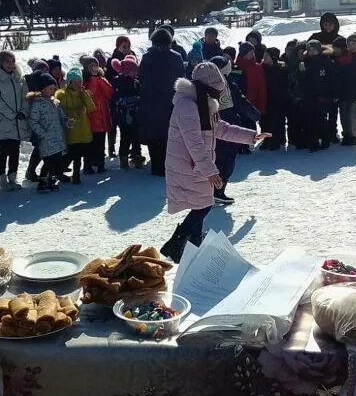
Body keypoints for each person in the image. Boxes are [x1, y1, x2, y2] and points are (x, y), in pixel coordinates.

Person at [160, 62, 264, 262]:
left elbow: (221, 129)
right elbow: (194, 143)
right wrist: (210, 171)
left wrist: (251, 136)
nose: (218, 94)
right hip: (188, 165)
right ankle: (177, 242)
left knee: (203, 202)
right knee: (203, 205)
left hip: (198, 165)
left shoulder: (203, 102)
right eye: (217, 89)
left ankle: (192, 243)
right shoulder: (187, 106)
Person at [210, 56, 260, 205]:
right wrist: (257, 115)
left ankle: (210, 190)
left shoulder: (205, 84)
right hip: (227, 125)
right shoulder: (227, 84)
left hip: (211, 126)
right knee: (227, 160)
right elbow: (241, 102)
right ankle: (218, 191)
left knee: (214, 159)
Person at [138, 28, 185, 176]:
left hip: (150, 100)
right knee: (168, 133)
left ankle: (156, 165)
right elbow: (181, 79)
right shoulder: (176, 58)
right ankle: (167, 165)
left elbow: (141, 77)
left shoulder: (147, 58)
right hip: (170, 100)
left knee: (153, 134)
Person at [0, 51, 29, 191]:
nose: (11, 64)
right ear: (1, 63)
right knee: (4, 150)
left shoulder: (19, 77)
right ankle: (1, 178)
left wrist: (23, 111)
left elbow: (25, 96)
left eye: (13, 61)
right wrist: (11, 114)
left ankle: (13, 176)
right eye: (7, 61)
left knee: (15, 150)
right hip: (3, 121)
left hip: (18, 121)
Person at [27, 73, 68, 193]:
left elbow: (62, 116)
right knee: (48, 162)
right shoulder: (38, 104)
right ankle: (43, 182)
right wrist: (42, 133)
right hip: (46, 140)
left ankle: (52, 180)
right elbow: (33, 121)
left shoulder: (56, 102)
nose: (53, 91)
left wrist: (67, 122)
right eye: (50, 88)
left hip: (57, 138)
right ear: (43, 89)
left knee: (57, 162)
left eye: (54, 89)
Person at [55, 68, 95, 185]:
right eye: (75, 82)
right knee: (73, 154)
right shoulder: (62, 94)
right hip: (72, 129)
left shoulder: (83, 93)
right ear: (69, 82)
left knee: (81, 151)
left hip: (83, 128)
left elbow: (92, 108)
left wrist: (85, 96)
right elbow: (61, 112)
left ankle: (76, 174)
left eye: (79, 81)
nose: (78, 84)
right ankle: (60, 172)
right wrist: (74, 113)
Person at [327, 35, 356, 145]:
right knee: (343, 113)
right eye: (349, 44)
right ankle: (346, 135)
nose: (351, 46)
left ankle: (353, 136)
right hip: (342, 90)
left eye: (354, 44)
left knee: (351, 113)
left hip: (355, 91)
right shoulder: (342, 57)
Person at [111, 55, 144, 169]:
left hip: (135, 113)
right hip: (123, 115)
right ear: (127, 71)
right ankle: (124, 157)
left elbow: (141, 94)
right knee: (125, 137)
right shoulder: (117, 82)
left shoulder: (136, 82)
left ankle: (137, 155)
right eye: (133, 71)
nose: (135, 73)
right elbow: (114, 98)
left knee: (136, 136)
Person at [82, 57, 113, 173]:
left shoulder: (101, 78)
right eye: (91, 66)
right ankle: (88, 164)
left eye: (95, 65)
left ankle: (100, 164)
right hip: (90, 117)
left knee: (101, 141)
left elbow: (109, 92)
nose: (93, 68)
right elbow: (91, 94)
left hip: (102, 115)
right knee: (90, 143)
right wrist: (94, 78)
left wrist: (99, 78)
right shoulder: (84, 80)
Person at [260, 47, 288, 150]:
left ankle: (277, 140)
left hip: (278, 99)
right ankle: (266, 140)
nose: (264, 58)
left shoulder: (281, 68)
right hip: (265, 97)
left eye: (266, 56)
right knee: (264, 121)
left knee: (277, 120)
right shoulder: (262, 68)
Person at [281, 40, 305, 148]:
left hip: (305, 97)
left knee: (302, 120)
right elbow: (289, 83)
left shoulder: (307, 63)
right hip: (292, 97)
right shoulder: (289, 64)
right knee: (292, 120)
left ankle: (301, 139)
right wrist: (293, 96)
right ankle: (292, 140)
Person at [235, 41, 266, 114]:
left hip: (252, 105)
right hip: (239, 105)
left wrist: (261, 107)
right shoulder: (236, 66)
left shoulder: (257, 67)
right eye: (250, 52)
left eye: (253, 51)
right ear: (244, 53)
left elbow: (262, 88)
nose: (253, 54)